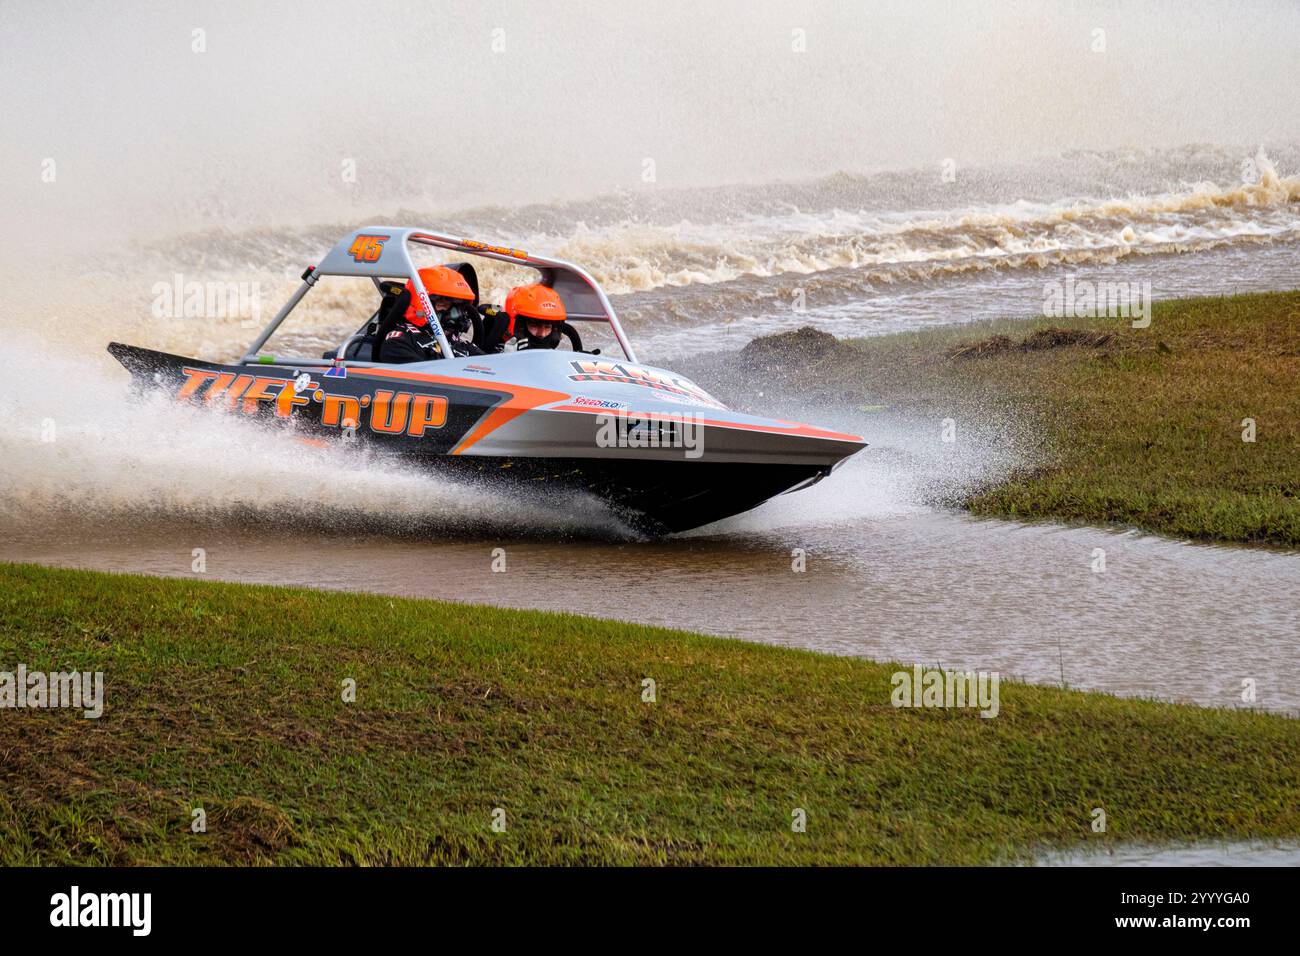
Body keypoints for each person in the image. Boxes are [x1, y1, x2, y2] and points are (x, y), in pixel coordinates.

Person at [379, 266, 483, 362]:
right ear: (420, 303)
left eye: (457, 307)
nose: (454, 315)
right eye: (442, 304)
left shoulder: (455, 341)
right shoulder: (398, 343)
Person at [501, 283, 567, 351]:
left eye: (547, 327)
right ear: (519, 327)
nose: (542, 334)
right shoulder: (496, 349)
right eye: (534, 326)